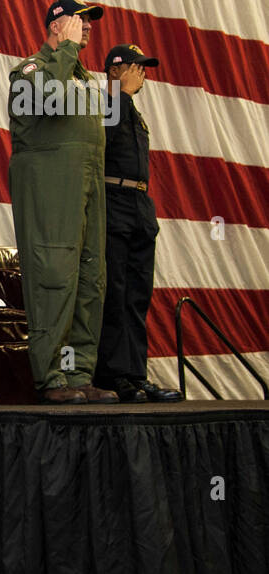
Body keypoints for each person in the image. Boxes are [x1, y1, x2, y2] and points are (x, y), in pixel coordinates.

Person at [6, 0, 118, 404]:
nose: (88, 27)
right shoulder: (30, 70)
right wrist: (66, 51)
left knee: (90, 277)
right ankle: (51, 377)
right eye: (80, 20)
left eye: (89, 21)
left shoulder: (85, 78)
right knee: (54, 272)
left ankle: (77, 372)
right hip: (50, 184)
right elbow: (48, 102)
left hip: (88, 183)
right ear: (57, 25)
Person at [94, 45, 183, 402]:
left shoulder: (133, 111)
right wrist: (121, 96)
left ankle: (135, 372)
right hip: (113, 203)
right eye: (135, 67)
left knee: (137, 295)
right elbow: (103, 142)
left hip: (139, 206)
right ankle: (113, 375)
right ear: (115, 72)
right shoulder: (105, 103)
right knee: (114, 293)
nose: (142, 73)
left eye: (144, 67)